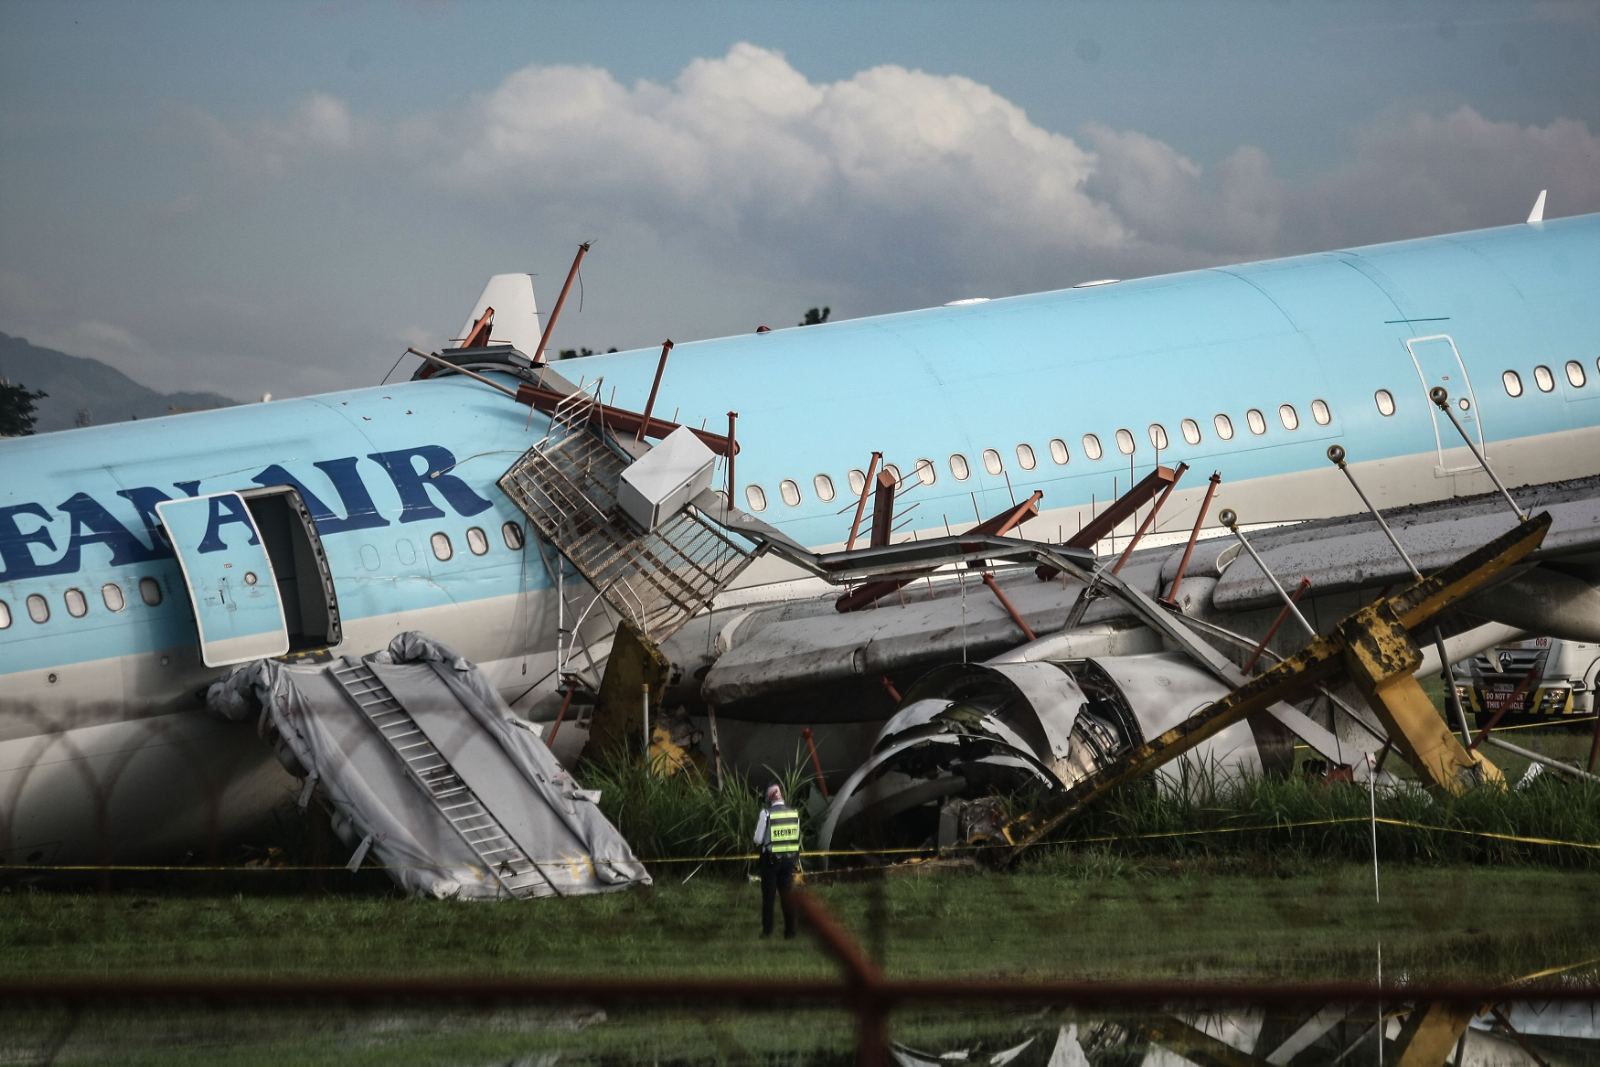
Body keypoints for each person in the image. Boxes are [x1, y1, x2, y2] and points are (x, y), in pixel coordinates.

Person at [752, 783, 801, 939]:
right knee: (786, 894)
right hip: (789, 860)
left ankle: (767, 932)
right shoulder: (794, 813)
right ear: (781, 795)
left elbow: (758, 839)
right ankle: (790, 932)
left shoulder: (766, 813)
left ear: (769, 798)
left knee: (769, 897)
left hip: (771, 861)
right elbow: (797, 838)